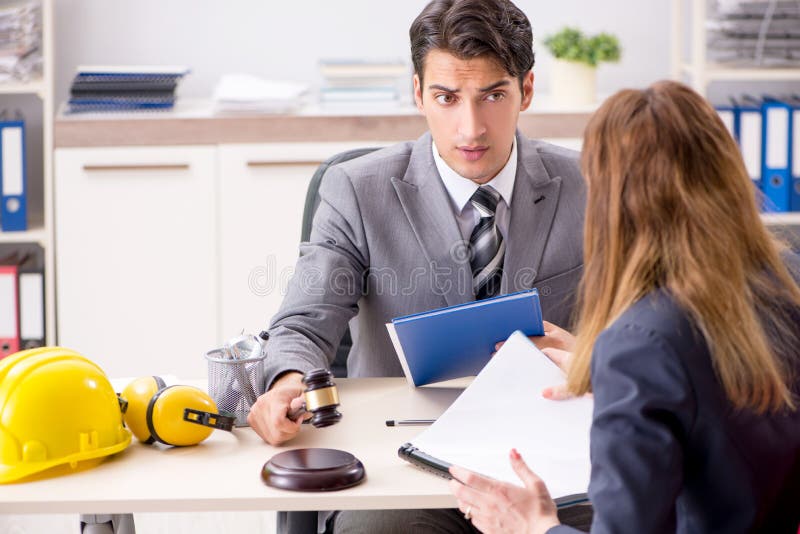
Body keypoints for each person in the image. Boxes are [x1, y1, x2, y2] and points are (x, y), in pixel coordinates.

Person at [248, 0, 586, 531]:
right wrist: (289, 381)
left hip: (550, 463)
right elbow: (303, 320)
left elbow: (653, 328)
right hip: (404, 467)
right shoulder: (356, 190)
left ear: (526, 90)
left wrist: (594, 355)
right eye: (446, 98)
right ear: (418, 94)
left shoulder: (592, 185)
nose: (470, 127)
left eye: (493, 95)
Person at [448, 80, 800, 534]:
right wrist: (623, 390)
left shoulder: (641, 344)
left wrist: (533, 526)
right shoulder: (788, 277)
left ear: (612, 202)